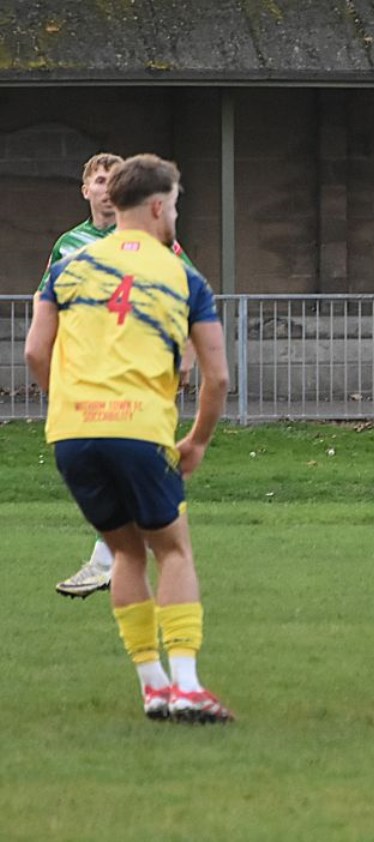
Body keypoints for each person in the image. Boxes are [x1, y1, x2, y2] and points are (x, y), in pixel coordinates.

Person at [25, 153, 233, 723]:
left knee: (124, 552)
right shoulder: (183, 275)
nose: (175, 216)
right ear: (159, 207)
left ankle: (152, 687)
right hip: (139, 428)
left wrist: (67, 404)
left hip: (73, 433)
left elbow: (35, 351)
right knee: (173, 549)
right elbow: (216, 376)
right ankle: (186, 686)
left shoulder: (69, 265)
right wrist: (198, 441)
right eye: (176, 206)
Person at [39, 152, 197, 600]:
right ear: (85, 189)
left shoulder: (155, 242)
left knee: (130, 468)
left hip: (139, 374)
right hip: (90, 376)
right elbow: (44, 310)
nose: (106, 190)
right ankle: (117, 558)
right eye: (99, 180)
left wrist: (185, 358)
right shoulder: (69, 246)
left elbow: (191, 295)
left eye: (114, 181)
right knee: (119, 466)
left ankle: (114, 558)